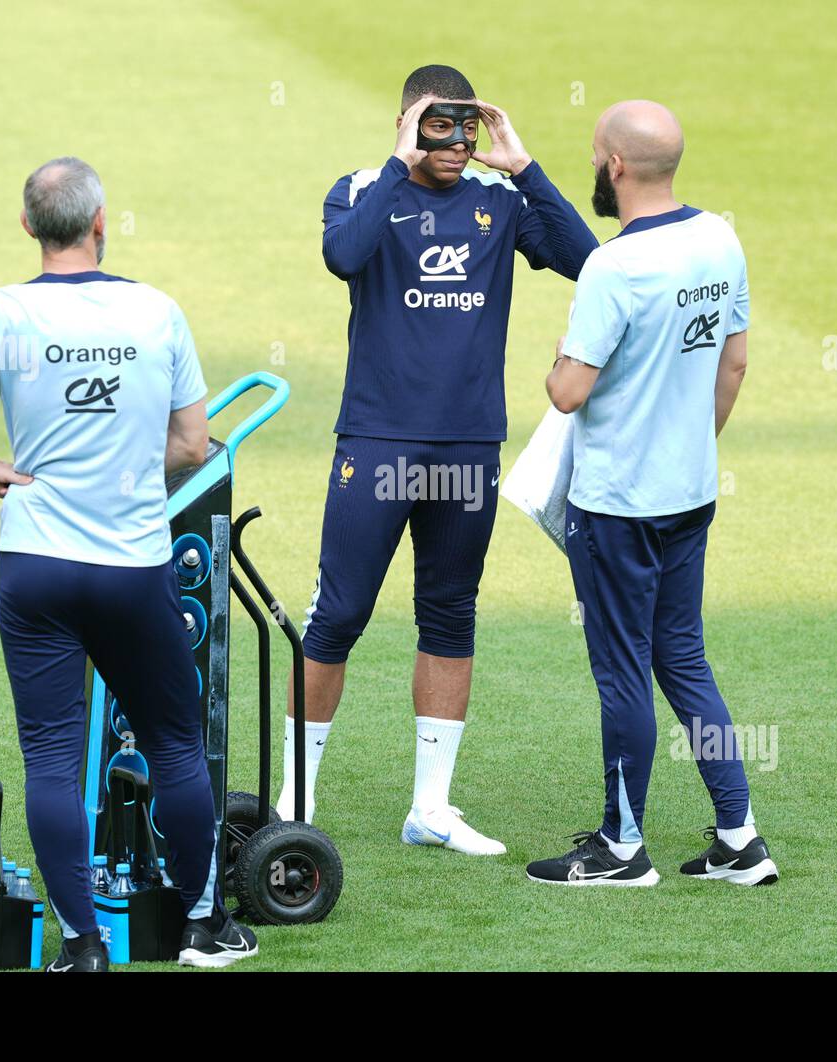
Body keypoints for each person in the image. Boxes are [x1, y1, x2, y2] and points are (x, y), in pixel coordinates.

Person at [0, 157, 260, 969]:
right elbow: (194, 445)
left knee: (52, 756)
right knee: (173, 741)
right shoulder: (158, 310)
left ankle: (82, 947)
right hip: (130, 566)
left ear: (29, 227)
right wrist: (129, 472)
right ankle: (203, 928)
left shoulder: (4, 311)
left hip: (33, 566)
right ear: (103, 222)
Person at [280, 64, 598, 855]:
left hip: (466, 444)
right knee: (340, 614)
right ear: (408, 121)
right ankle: (294, 799)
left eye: (466, 126)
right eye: (439, 126)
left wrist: (522, 164)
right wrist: (397, 162)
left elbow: (590, 261)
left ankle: (431, 809)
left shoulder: (500, 200)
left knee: (451, 615)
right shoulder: (361, 188)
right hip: (378, 441)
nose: (456, 143)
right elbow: (344, 258)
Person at [526, 102, 779, 888]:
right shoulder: (719, 238)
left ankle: (622, 848)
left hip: (617, 504)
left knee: (624, 672)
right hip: (689, 491)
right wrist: (690, 450)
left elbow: (568, 392)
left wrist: (556, 360)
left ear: (615, 166)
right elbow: (732, 364)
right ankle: (739, 837)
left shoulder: (614, 267)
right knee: (683, 658)